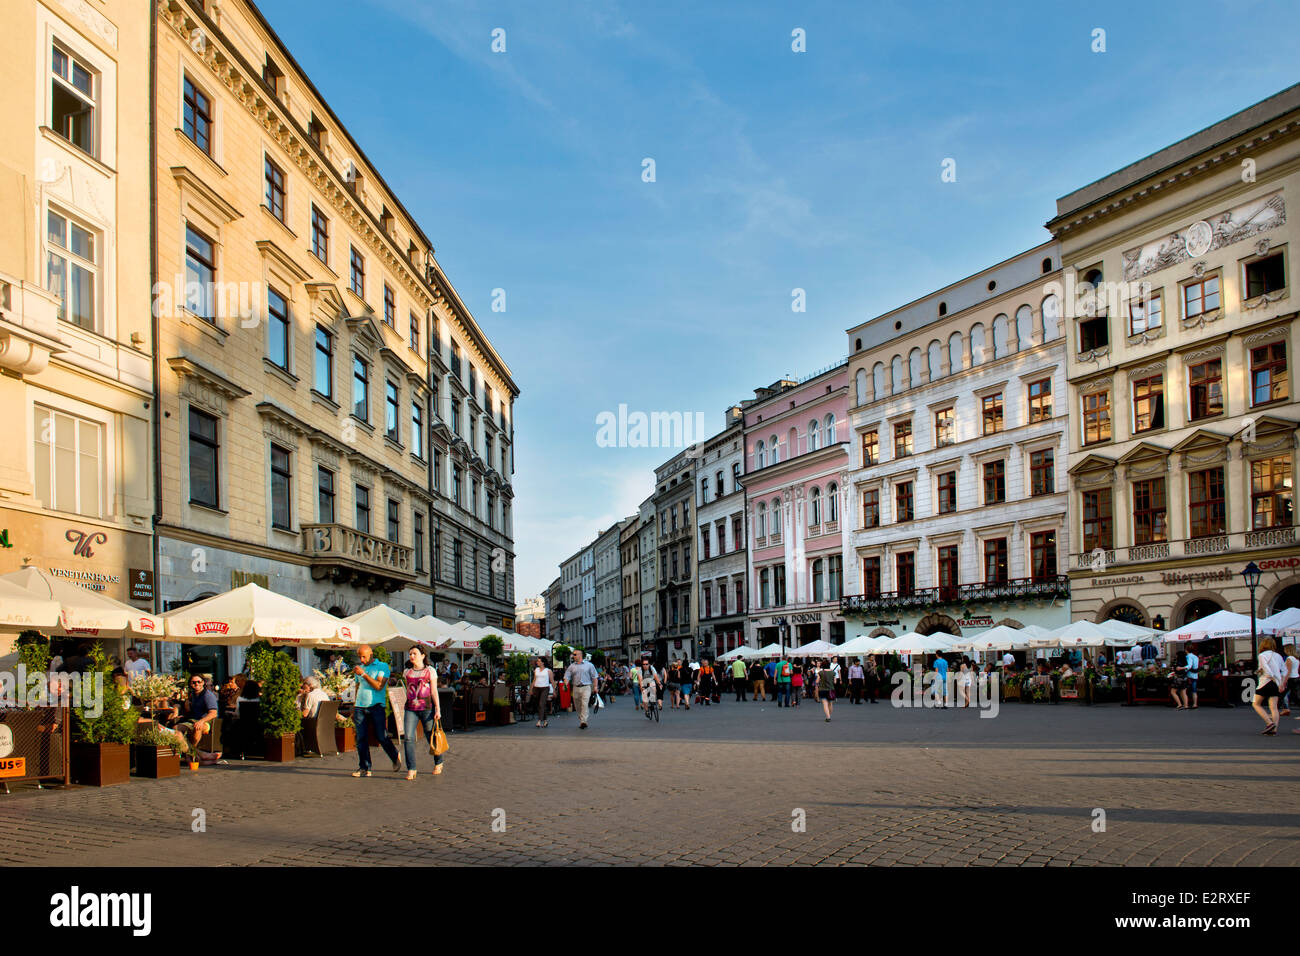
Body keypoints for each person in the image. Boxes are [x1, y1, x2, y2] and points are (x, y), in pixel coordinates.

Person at [351, 644, 400, 777]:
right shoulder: (360, 668)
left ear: (371, 654)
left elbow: (379, 686)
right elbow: (357, 686)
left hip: (376, 705)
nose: (361, 660)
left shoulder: (382, 666)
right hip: (360, 706)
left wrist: (364, 674)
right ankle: (364, 767)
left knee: (381, 736)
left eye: (364, 656)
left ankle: (395, 756)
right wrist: (354, 705)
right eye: (359, 656)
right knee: (361, 737)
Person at [401, 645, 443, 780]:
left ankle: (438, 761)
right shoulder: (407, 672)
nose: (411, 656)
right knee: (408, 737)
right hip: (410, 708)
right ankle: (411, 768)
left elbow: (434, 691)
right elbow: (408, 689)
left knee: (430, 735)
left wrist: (437, 708)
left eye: (414, 653)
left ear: (423, 656)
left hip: (427, 708)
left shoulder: (430, 671)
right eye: (410, 654)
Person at [174, 675, 220, 758]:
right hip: (192, 720)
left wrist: (201, 721)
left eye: (199, 681)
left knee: (197, 728)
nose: (196, 684)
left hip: (205, 722)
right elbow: (190, 711)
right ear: (190, 684)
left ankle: (192, 753)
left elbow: (213, 713)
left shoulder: (207, 695)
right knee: (176, 728)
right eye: (194, 682)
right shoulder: (193, 695)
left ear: (203, 683)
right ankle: (193, 752)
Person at [1252, 637, 1286, 735]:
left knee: (1256, 704)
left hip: (1266, 682)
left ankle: (1269, 723)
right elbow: (1284, 670)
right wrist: (1281, 682)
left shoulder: (1262, 655)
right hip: (1276, 683)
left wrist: (1271, 677)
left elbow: (1267, 670)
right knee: (1273, 707)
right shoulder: (1278, 656)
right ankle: (1274, 729)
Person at [564, 649, 600, 729]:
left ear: (580, 655)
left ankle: (583, 721)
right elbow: (567, 676)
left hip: (586, 687)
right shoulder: (572, 666)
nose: (573, 656)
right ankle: (581, 717)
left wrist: (595, 687)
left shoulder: (589, 665)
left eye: (575, 654)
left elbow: (595, 676)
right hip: (576, 687)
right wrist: (565, 683)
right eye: (573, 654)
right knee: (577, 705)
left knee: (584, 703)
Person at [531, 657, 552, 727]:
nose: (537, 662)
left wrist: (554, 690)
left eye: (539, 661)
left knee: (541, 704)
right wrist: (531, 689)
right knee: (539, 705)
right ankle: (545, 720)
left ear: (543, 662)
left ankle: (539, 721)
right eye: (537, 661)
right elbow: (534, 680)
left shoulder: (548, 671)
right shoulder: (536, 670)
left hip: (545, 688)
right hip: (536, 688)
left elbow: (551, 680)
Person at [1281, 645, 1298, 717]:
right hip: (1296, 677)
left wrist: (1284, 681)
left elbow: (1288, 671)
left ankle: (1286, 709)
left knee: (1282, 694)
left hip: (1290, 679)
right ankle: (1285, 709)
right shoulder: (1296, 659)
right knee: (1294, 696)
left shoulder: (1289, 658)